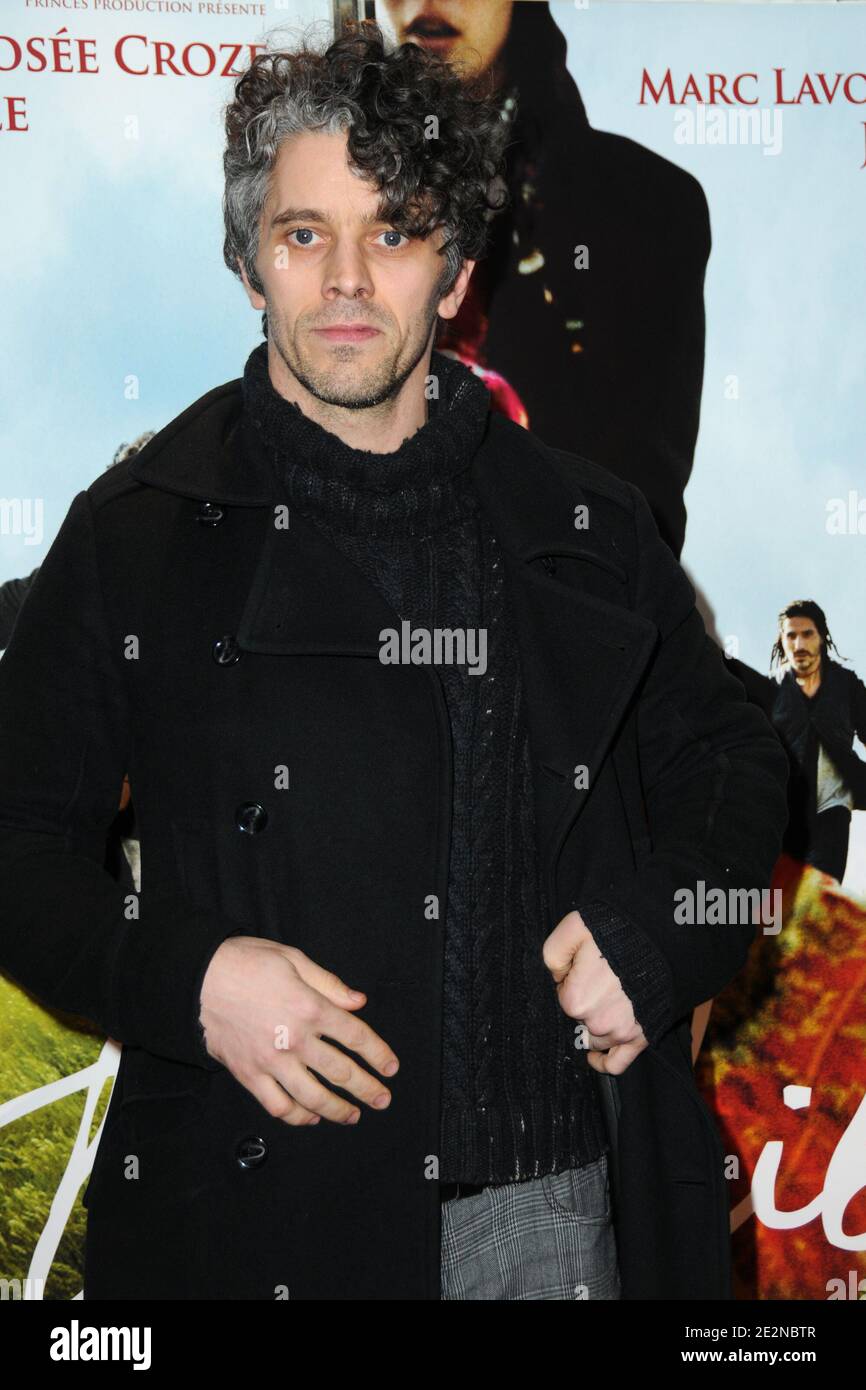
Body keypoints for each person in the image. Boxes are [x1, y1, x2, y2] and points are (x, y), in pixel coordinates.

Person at [0, 22, 788, 1301]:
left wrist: (661, 933)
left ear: (459, 267)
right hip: (254, 1213)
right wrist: (189, 979)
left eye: (397, 231)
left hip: (549, 1214)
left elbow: (734, 762)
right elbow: (17, 840)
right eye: (305, 234)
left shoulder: (584, 526)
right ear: (248, 264)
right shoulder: (136, 530)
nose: (349, 280)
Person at [381, 0, 712, 558]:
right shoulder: (324, 190)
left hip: (558, 612)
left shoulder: (648, 203)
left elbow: (639, 515)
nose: (425, 3)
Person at [730, 601, 866, 885]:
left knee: (820, 892)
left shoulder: (847, 684)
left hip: (832, 807)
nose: (799, 642)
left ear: (821, 637)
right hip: (785, 806)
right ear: (782, 641)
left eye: (807, 634)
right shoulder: (769, 689)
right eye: (791, 635)